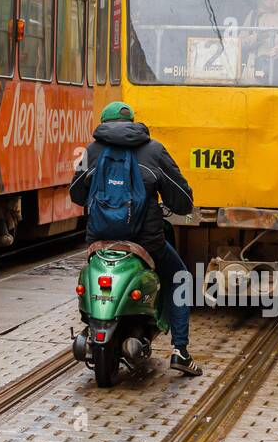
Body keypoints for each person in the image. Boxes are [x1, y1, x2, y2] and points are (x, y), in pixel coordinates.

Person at [70, 100, 200, 376]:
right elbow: (182, 199)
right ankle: (180, 350)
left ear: (104, 123)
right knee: (179, 276)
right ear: (132, 122)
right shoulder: (153, 150)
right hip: (146, 241)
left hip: (100, 241)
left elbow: (76, 194)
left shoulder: (90, 152)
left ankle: (93, 326)